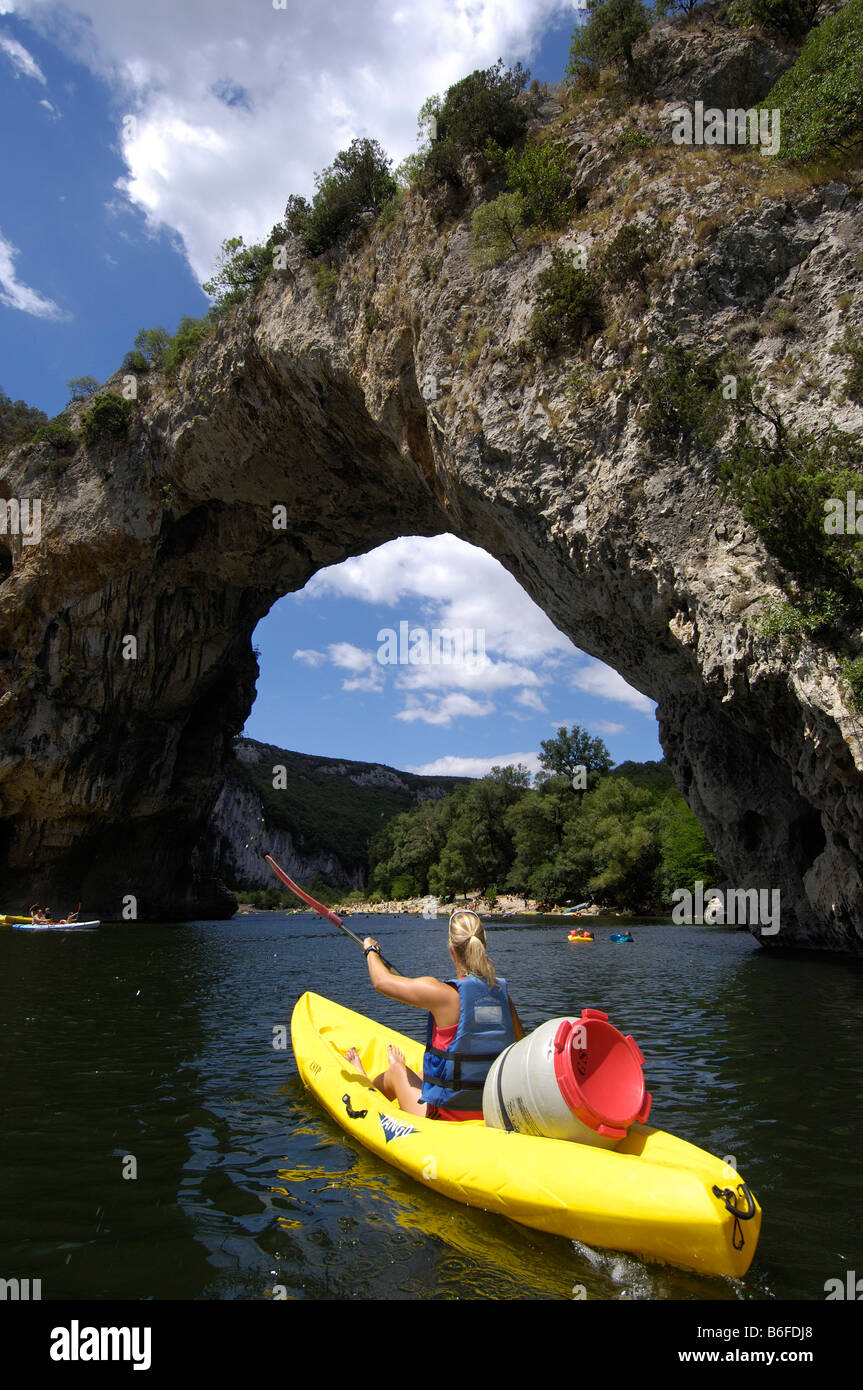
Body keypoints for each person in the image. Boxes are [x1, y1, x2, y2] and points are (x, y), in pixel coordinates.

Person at [345, 909, 525, 1122]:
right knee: (424, 1073)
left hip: (447, 1114)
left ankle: (366, 1088)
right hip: (491, 1109)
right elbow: (519, 1050)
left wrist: (371, 949)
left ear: (451, 949)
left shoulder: (442, 994)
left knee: (396, 1071)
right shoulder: (503, 996)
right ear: (483, 945)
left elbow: (381, 982)